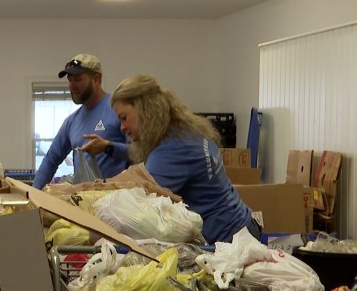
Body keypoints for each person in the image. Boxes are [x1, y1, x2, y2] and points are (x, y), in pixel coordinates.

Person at [110, 74, 259, 244]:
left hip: (231, 239)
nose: (122, 127)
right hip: (241, 225)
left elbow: (139, 205)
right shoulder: (184, 131)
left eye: (124, 118)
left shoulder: (172, 149)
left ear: (145, 109)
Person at [33, 54, 129, 189]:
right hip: (84, 199)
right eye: (70, 80)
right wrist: (32, 194)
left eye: (78, 79)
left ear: (96, 79)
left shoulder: (118, 110)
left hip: (117, 198)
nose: (72, 85)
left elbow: (140, 153)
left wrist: (108, 147)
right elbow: (50, 161)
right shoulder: (72, 121)